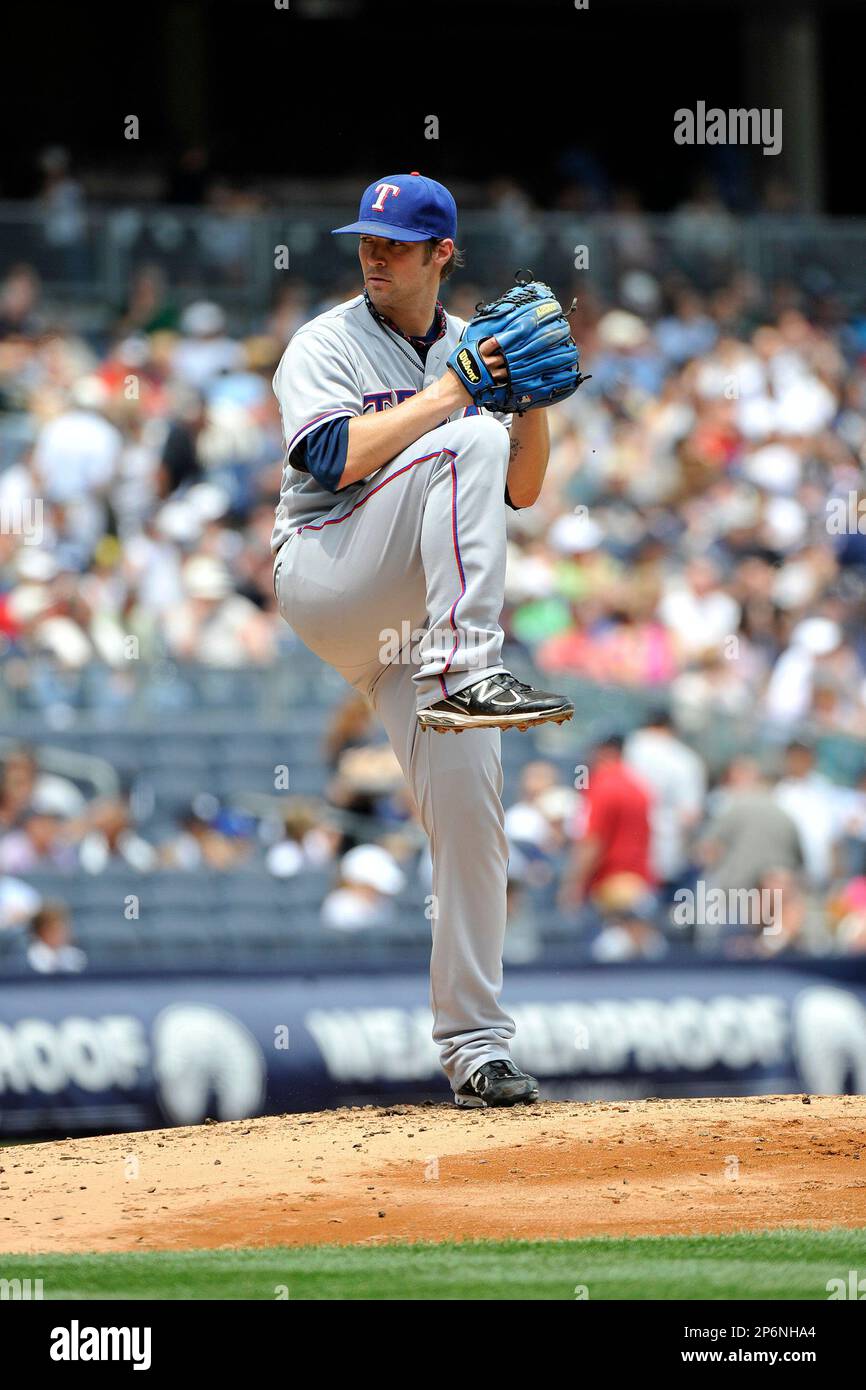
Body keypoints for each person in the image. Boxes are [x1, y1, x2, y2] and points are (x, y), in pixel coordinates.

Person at [270, 172, 576, 1108]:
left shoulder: (470, 349)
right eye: (366, 238)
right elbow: (333, 456)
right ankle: (466, 672)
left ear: (443, 254)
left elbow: (523, 489)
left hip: (411, 625)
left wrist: (528, 402)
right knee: (466, 440)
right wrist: (457, 395)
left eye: (396, 242)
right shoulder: (325, 341)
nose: (373, 253)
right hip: (329, 569)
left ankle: (477, 1049)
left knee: (474, 820)